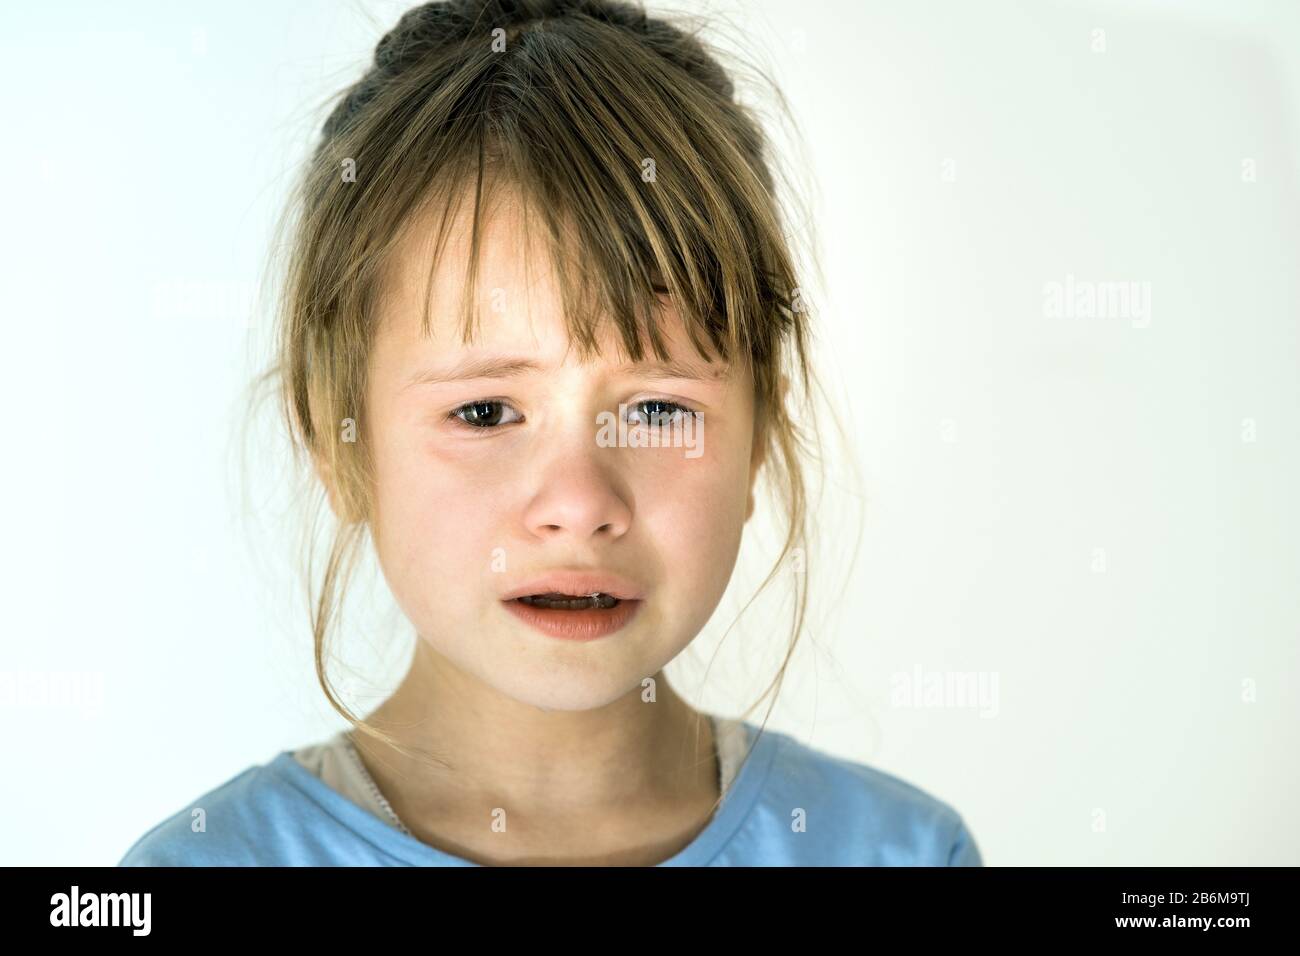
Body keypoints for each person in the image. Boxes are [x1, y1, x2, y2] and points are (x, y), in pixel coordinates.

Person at [119, 0, 983, 867]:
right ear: (337, 443)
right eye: (485, 412)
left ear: (762, 432)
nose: (578, 505)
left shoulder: (901, 852)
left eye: (657, 410)